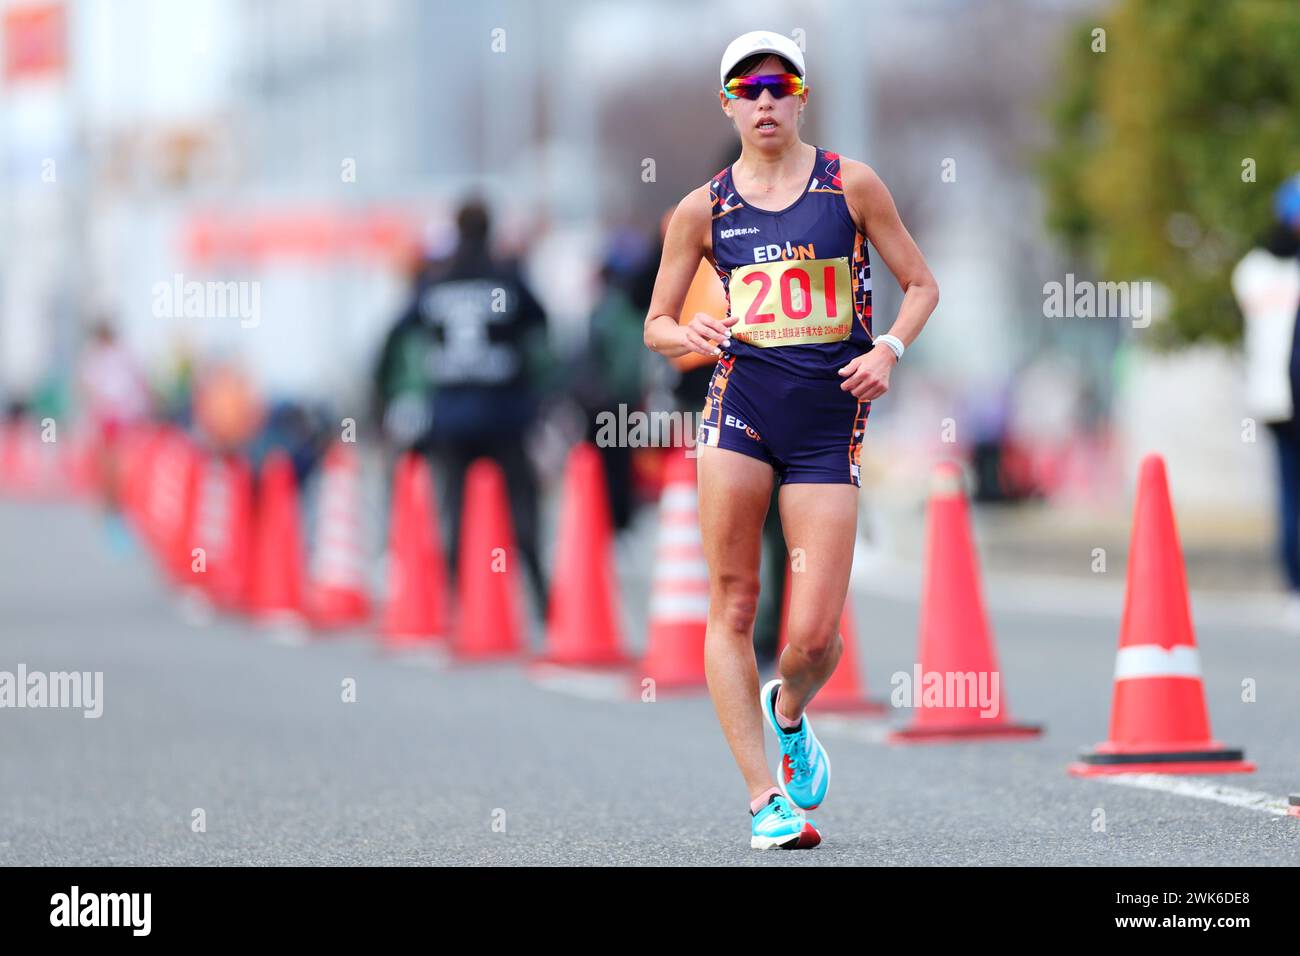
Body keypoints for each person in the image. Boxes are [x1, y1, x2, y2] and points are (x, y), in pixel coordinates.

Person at [643, 31, 939, 850]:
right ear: (729, 102)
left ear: (800, 95)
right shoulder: (702, 209)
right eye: (750, 87)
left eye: (779, 85)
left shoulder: (852, 186)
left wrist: (889, 349)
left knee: (811, 636)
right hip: (738, 413)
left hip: (826, 428)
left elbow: (920, 283)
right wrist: (688, 332)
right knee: (735, 603)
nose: (765, 100)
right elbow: (655, 324)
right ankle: (764, 799)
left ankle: (791, 709)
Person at [404, 198, 551, 617]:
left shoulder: (435, 282)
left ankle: (454, 604)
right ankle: (541, 598)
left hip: (450, 415)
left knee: (454, 510)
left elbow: (400, 330)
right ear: (490, 230)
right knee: (522, 511)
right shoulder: (507, 279)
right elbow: (541, 323)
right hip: (505, 413)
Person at [1234, 175, 1300, 621]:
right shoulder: (1260, 269)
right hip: (1281, 396)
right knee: (1290, 494)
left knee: (1289, 493)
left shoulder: (1251, 268)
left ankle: (1294, 584)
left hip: (1271, 397)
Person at [77, 322, 151, 546]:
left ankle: (117, 513)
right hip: (109, 418)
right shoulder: (97, 357)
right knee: (110, 469)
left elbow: (138, 384)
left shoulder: (119, 356)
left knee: (118, 469)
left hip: (120, 418)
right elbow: (88, 388)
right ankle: (111, 514)